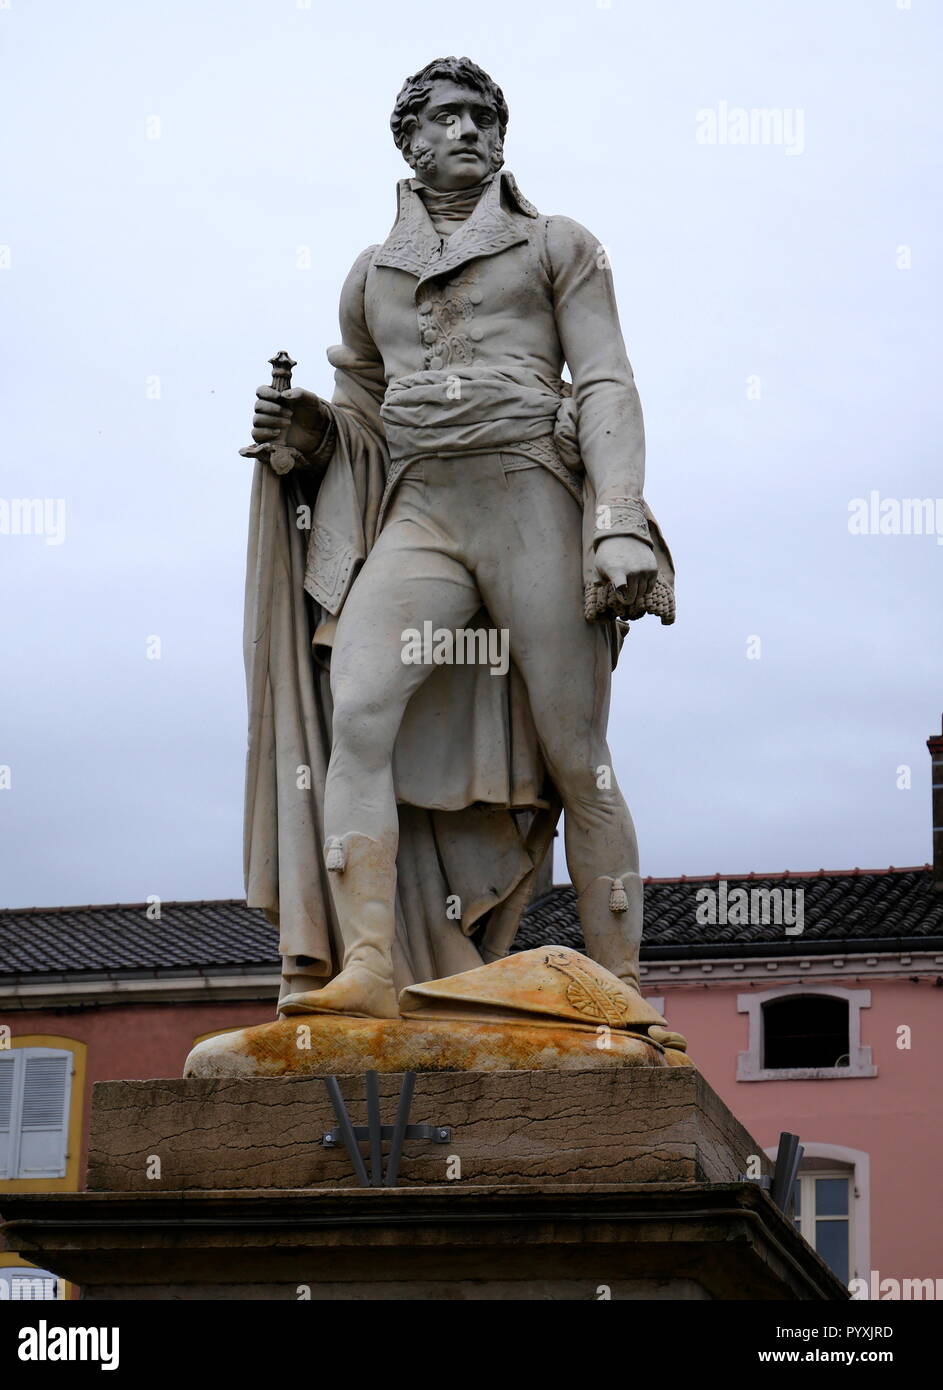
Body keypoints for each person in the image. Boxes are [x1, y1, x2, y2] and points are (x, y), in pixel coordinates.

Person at [244, 56, 675, 1019]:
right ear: (408, 139)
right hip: (424, 507)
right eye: (446, 116)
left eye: (483, 115)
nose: (469, 130)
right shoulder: (369, 275)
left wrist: (616, 521)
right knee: (356, 710)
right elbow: (362, 418)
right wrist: (304, 433)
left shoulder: (557, 243)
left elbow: (605, 378)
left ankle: (625, 993)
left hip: (529, 490)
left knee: (578, 751)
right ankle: (366, 965)